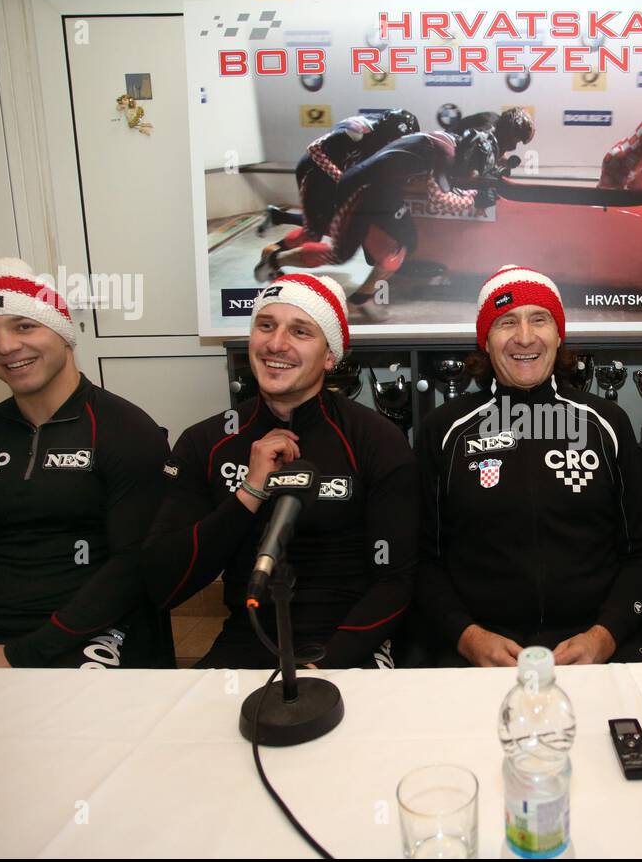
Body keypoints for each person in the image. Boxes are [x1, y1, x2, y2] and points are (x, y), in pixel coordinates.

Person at [143, 274, 417, 668]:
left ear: (329, 356)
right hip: (247, 637)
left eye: (300, 331)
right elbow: (161, 581)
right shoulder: (205, 442)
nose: (276, 344)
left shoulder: (376, 439)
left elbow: (396, 582)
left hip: (348, 642)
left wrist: (324, 665)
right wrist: (249, 492)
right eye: (266, 325)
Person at [0, 258, 171, 668]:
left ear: (63, 332)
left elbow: (135, 565)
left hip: (97, 630)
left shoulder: (128, 431)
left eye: (24, 325)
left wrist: (23, 654)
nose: (6, 346)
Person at [416, 266, 642, 666]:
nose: (525, 337)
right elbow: (422, 557)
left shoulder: (606, 422)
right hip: (478, 653)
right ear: (485, 339)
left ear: (558, 334)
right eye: (506, 322)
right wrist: (466, 637)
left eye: (540, 319)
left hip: (594, 648)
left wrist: (606, 635)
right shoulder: (444, 430)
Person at [255, 129, 499, 306]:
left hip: (380, 192)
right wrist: (476, 199)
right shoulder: (445, 152)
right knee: (339, 254)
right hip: (362, 193)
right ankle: (274, 261)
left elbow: (438, 186)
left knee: (405, 242)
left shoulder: (444, 140)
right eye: (473, 167)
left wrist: (471, 193)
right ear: (469, 155)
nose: (472, 173)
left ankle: (362, 299)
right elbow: (441, 200)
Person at [253, 109, 419, 266]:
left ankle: (277, 217)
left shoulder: (382, 141)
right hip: (314, 173)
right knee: (313, 233)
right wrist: (343, 179)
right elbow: (314, 149)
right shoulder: (358, 131)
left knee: (334, 224)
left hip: (338, 175)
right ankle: (270, 258)